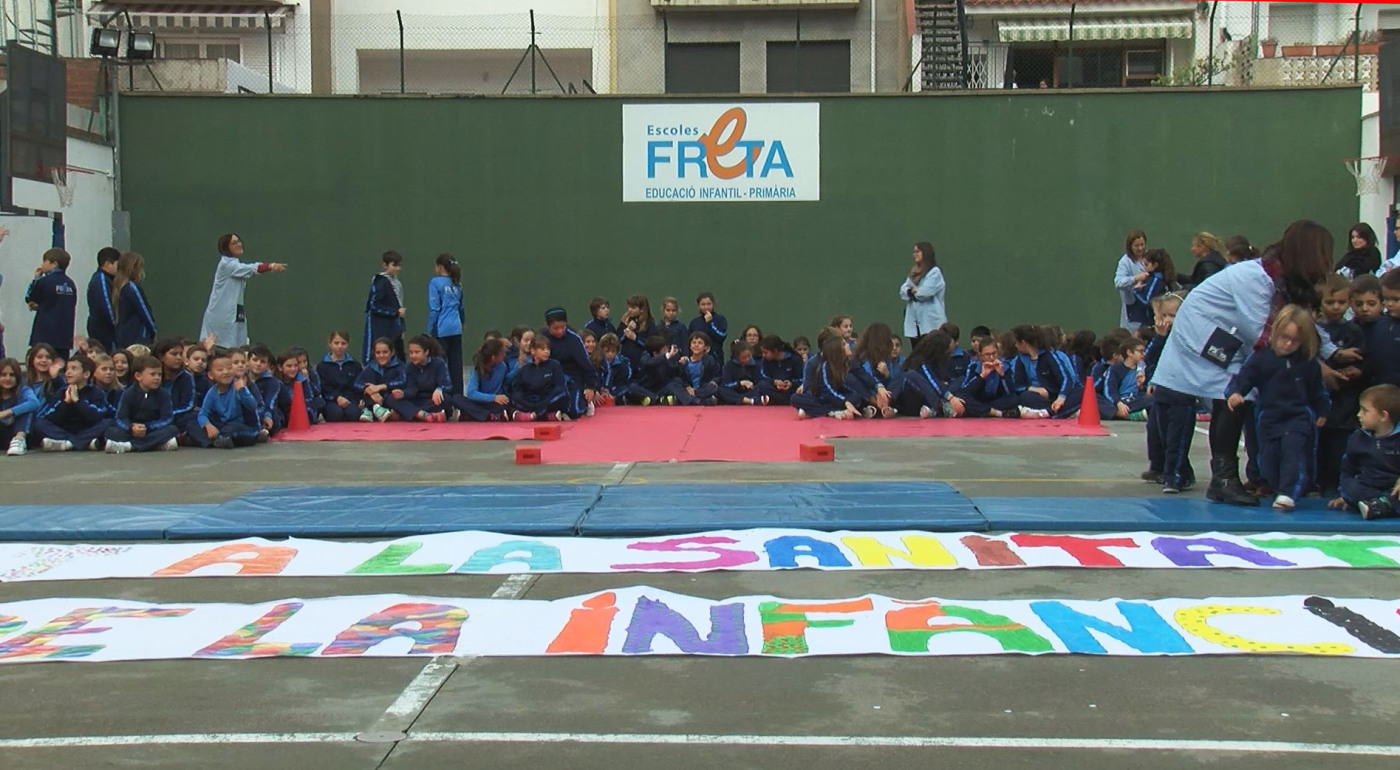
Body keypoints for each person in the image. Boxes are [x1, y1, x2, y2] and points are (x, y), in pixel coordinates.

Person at [1150, 220, 1338, 506]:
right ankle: (1224, 479)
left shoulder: (1281, 279)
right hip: (1205, 329)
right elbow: (1264, 331)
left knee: (1236, 391)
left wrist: (1333, 353)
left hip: (1225, 331)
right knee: (1234, 392)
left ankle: (1231, 479)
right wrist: (1315, 364)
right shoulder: (1257, 278)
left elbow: (1298, 322)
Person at [1224, 305, 1329, 511]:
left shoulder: (1308, 363)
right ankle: (1275, 485)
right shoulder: (1262, 359)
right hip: (1269, 417)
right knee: (1268, 459)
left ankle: (1289, 492)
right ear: (1274, 333)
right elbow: (1244, 377)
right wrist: (1235, 393)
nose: (1288, 344)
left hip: (1298, 416)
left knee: (1293, 453)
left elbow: (1318, 390)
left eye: (1295, 341)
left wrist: (1323, 411)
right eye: (1284, 338)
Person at [1317, 274, 1366, 496]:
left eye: (1341, 302)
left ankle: (1336, 484)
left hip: (1344, 399)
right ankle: (1317, 482)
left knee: (1338, 445)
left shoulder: (1353, 331)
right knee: (1318, 445)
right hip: (1319, 397)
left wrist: (1351, 372)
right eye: (1330, 302)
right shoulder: (1315, 330)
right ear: (1320, 301)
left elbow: (1361, 361)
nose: (1336, 307)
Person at [198, 233, 287, 347]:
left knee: (240, 345)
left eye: (239, 241)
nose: (239, 244)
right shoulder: (226, 265)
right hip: (221, 314)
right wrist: (270, 266)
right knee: (219, 346)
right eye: (234, 243)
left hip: (236, 311)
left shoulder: (234, 264)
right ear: (226, 247)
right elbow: (252, 268)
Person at [1328, 384, 1400, 519]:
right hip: (1366, 486)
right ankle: (1382, 505)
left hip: (1393, 487)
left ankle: (1380, 505)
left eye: (1364, 410)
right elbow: (1347, 469)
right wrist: (1345, 495)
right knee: (1351, 488)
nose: (1358, 414)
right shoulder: (1357, 437)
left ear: (1384, 416)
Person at [33, 355, 112, 451]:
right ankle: (81, 443)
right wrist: (65, 402)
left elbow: (97, 416)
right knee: (39, 423)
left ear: (86, 374)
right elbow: (51, 417)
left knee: (109, 422)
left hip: (87, 429)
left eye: (73, 369)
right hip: (65, 430)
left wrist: (78, 401)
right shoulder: (61, 392)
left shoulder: (96, 393)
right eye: (67, 369)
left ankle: (67, 443)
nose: (68, 373)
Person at [104, 354, 179, 453]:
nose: (157, 378)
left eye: (159, 375)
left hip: (152, 429)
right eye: (152, 374)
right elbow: (120, 418)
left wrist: (147, 427)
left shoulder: (163, 394)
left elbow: (168, 418)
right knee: (111, 432)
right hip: (132, 430)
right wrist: (131, 427)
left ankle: (130, 446)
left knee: (172, 430)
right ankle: (155, 445)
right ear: (138, 376)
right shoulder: (128, 393)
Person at [198, 347, 264, 449]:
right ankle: (221, 439)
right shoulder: (212, 392)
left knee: (231, 429)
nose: (226, 372)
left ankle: (221, 439)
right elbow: (203, 413)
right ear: (211, 375)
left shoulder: (238, 386)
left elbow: (252, 406)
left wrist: (242, 391)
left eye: (229, 368)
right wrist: (208, 425)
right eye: (220, 370)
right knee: (197, 424)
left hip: (245, 427)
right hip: (224, 425)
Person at [539, 307, 597, 418]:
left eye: (563, 327)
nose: (560, 331)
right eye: (556, 328)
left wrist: (590, 387)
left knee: (574, 412)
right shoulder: (541, 338)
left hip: (571, 379)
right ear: (547, 325)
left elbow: (586, 365)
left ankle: (584, 403)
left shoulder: (574, 340)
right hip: (548, 379)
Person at [791, 335, 866, 419]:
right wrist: (845, 402)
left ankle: (813, 412)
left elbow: (855, 384)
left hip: (841, 397)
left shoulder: (849, 363)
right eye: (844, 344)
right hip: (826, 398)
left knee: (856, 398)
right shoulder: (826, 366)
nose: (848, 345)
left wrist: (878, 387)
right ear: (837, 349)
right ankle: (832, 412)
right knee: (795, 398)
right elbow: (828, 390)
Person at [25, 248, 77, 360]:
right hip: (64, 335)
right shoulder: (70, 283)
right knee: (60, 366)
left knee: (43, 364)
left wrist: (36, 278)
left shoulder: (44, 281)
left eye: (44, 261)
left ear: (54, 264)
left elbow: (30, 297)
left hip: (45, 334)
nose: (42, 264)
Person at [426, 253, 465, 397]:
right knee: (456, 365)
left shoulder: (435, 282)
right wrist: (462, 322)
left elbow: (435, 309)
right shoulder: (457, 284)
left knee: (440, 364)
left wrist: (430, 330)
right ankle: (458, 397)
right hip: (456, 327)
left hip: (441, 328)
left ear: (440, 267)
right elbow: (461, 308)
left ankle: (444, 397)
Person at [510, 334, 571, 422]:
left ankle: (535, 415)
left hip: (548, 399)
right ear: (533, 351)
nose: (547, 352)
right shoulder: (525, 369)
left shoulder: (554, 365)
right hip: (532, 400)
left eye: (548, 349)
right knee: (516, 396)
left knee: (560, 393)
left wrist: (544, 403)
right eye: (543, 349)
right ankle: (546, 415)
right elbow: (518, 388)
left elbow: (560, 387)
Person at [153, 338, 200, 447]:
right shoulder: (153, 376)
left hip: (179, 417)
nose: (179, 358)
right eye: (174, 354)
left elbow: (189, 405)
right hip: (156, 418)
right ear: (161, 357)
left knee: (195, 419)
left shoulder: (186, 376)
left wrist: (169, 415)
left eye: (180, 354)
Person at [454, 337, 512, 422]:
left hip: (494, 404)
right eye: (502, 353)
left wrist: (519, 367)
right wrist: (493, 397)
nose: (504, 355)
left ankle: (471, 415)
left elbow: (508, 380)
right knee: (457, 398)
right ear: (493, 357)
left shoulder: (503, 366)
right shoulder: (478, 369)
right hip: (480, 401)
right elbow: (471, 393)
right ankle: (488, 416)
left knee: (510, 400)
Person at [957, 337, 1017, 418]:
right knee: (961, 397)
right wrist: (982, 376)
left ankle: (982, 410)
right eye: (987, 355)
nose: (991, 357)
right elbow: (966, 391)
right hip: (978, 399)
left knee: (1014, 398)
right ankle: (994, 412)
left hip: (995, 402)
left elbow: (1010, 392)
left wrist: (1002, 375)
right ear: (981, 355)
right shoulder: (973, 367)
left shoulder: (1005, 366)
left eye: (994, 353)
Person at [900, 242, 946, 346]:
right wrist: (911, 291)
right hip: (915, 326)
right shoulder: (914, 273)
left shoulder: (935, 272)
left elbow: (924, 294)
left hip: (931, 325)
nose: (914, 254)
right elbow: (903, 291)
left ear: (925, 253)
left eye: (917, 251)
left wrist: (913, 291)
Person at [396, 335, 451, 422]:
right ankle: (423, 415)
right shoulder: (409, 367)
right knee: (392, 399)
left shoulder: (438, 363)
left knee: (447, 399)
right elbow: (412, 389)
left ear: (426, 352)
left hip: (433, 399)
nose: (413, 355)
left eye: (417, 352)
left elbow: (447, 385)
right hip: (417, 399)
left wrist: (439, 389)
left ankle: (410, 414)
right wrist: (403, 393)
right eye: (411, 352)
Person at [355, 337, 409, 423]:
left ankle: (373, 409)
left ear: (392, 352)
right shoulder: (370, 366)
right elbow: (357, 383)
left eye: (385, 352)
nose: (381, 355)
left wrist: (381, 387)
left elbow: (403, 381)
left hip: (390, 400)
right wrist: (369, 390)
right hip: (374, 399)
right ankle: (373, 409)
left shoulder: (400, 366)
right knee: (367, 388)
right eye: (378, 352)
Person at [364, 251, 405, 362]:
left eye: (399, 265)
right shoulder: (380, 282)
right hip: (381, 328)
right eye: (394, 265)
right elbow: (373, 305)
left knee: (398, 357)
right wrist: (394, 312)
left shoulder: (397, 283)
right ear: (385, 265)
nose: (397, 268)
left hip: (394, 328)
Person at [316, 330, 364, 423]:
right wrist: (337, 397)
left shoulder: (355, 365)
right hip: (331, 400)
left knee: (353, 415)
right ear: (330, 344)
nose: (340, 346)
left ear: (348, 345)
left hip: (350, 399)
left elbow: (358, 384)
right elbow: (324, 387)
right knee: (335, 415)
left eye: (343, 343)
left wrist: (360, 399)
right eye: (336, 343)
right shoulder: (322, 366)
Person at [112, 252, 157, 348]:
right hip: (137, 336)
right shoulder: (132, 287)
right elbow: (144, 311)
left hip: (125, 335)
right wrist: (153, 330)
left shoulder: (120, 287)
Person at [665, 332, 720, 406]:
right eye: (694, 343)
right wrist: (687, 386)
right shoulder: (685, 361)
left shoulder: (709, 360)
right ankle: (699, 401)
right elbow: (681, 378)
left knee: (713, 387)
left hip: (702, 389)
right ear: (690, 346)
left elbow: (718, 375)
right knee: (671, 385)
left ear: (706, 348)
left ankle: (688, 399)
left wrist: (714, 381)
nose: (696, 345)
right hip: (688, 390)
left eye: (700, 343)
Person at [0, 357, 39, 456]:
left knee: (27, 409)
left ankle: (18, 440)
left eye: (12, 375)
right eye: (3, 375)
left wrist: (9, 412)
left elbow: (34, 403)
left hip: (18, 433)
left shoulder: (23, 390)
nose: (8, 378)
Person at [86, 247, 120, 353]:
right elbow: (106, 306)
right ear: (107, 264)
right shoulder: (101, 280)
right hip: (104, 330)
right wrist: (116, 326)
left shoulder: (108, 280)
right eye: (117, 265)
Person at [1114, 229, 1149, 329]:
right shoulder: (1125, 262)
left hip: (1148, 306)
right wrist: (1135, 279)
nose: (1140, 248)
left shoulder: (1150, 257)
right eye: (1136, 246)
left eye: (1142, 244)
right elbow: (1118, 282)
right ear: (1130, 246)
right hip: (1132, 310)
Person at [757, 335, 803, 406]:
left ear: (775, 351)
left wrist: (791, 384)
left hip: (790, 390)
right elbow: (763, 376)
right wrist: (774, 382)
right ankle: (784, 400)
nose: (763, 355)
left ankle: (776, 400)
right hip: (774, 388)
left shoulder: (795, 359)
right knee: (761, 385)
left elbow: (801, 379)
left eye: (766, 353)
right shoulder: (765, 360)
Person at [717, 340, 764, 405]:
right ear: (737, 357)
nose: (747, 359)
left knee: (764, 388)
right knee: (721, 390)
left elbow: (760, 381)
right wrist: (740, 383)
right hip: (735, 391)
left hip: (750, 391)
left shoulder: (755, 364)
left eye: (749, 356)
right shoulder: (729, 365)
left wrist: (753, 385)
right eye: (744, 357)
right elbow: (726, 384)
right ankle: (747, 401)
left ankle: (744, 400)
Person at [618, 295, 657, 368]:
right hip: (626, 360)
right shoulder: (625, 320)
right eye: (629, 307)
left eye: (633, 308)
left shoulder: (650, 323)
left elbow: (651, 344)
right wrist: (627, 330)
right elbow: (617, 340)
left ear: (642, 309)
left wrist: (635, 338)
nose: (629, 310)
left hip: (641, 362)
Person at [688, 292, 728, 363]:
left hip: (716, 359)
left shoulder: (720, 319)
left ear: (713, 305)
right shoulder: (694, 322)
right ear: (699, 306)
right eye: (703, 304)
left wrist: (710, 323)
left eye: (709, 304)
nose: (706, 307)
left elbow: (721, 336)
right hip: (697, 360)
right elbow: (689, 341)